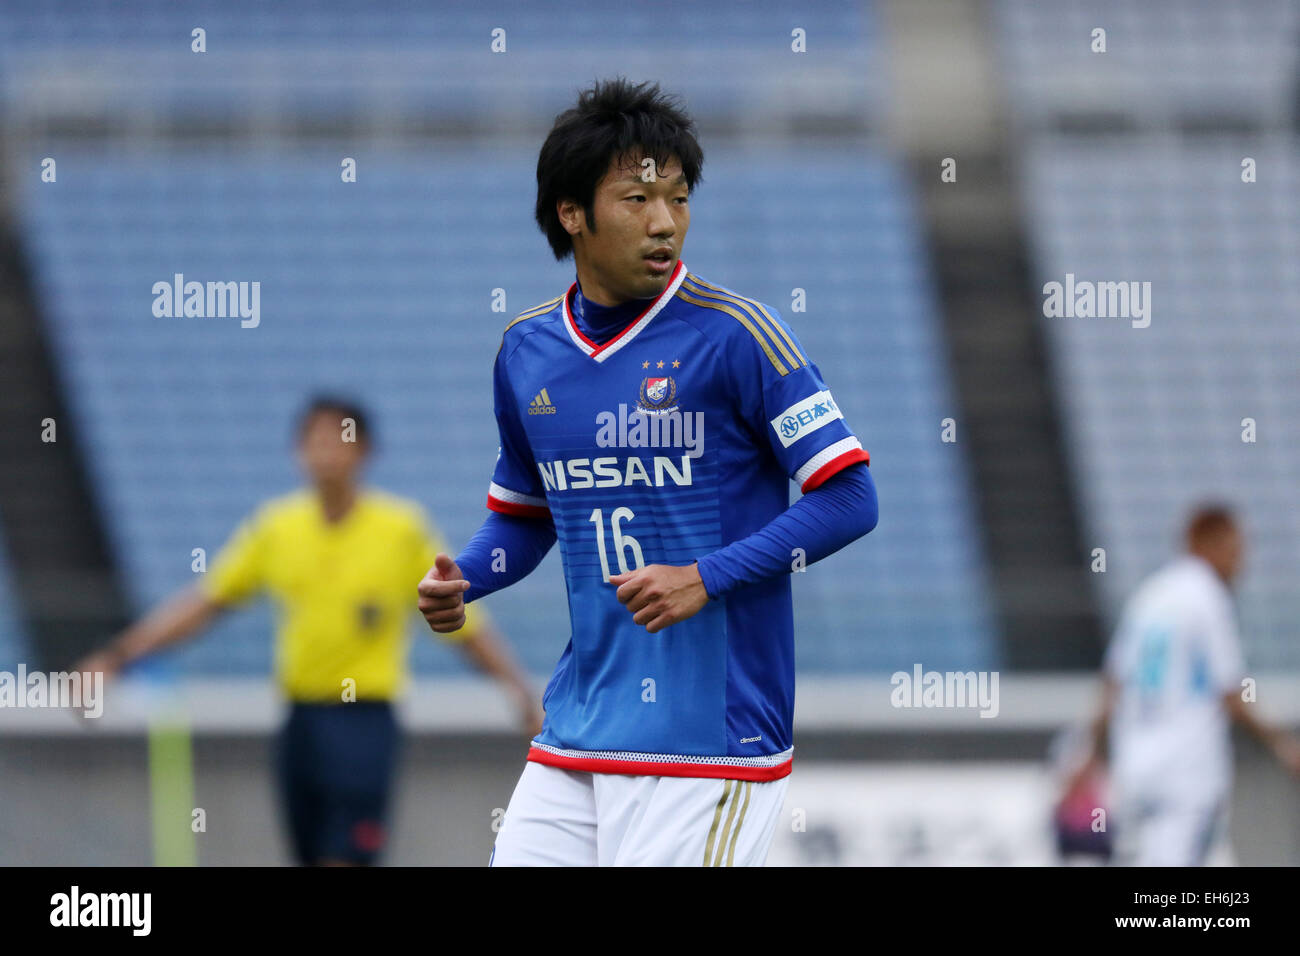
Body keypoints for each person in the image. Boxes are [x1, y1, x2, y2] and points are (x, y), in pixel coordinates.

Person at [417, 78, 878, 867]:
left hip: (712, 742)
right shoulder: (527, 351)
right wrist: (467, 578)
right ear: (572, 213)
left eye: (679, 197)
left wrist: (706, 575)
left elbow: (850, 498)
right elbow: (526, 516)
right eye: (636, 198)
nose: (665, 222)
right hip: (579, 733)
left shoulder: (740, 334)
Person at [79, 396, 541, 865]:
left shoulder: (400, 529)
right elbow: (206, 602)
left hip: (365, 722)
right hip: (300, 721)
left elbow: (462, 622)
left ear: (363, 451)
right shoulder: (277, 528)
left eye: (337, 439)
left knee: (345, 856)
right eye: (314, 440)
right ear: (298, 451)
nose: (325, 452)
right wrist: (118, 657)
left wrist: (516, 687)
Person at [1071, 504, 1300, 866]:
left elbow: (1113, 683)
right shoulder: (1207, 596)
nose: (1241, 562)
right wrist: (1283, 744)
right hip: (1186, 770)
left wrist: (1089, 754)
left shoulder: (1149, 594)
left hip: (1137, 762)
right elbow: (1231, 692)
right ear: (1211, 543)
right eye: (1236, 549)